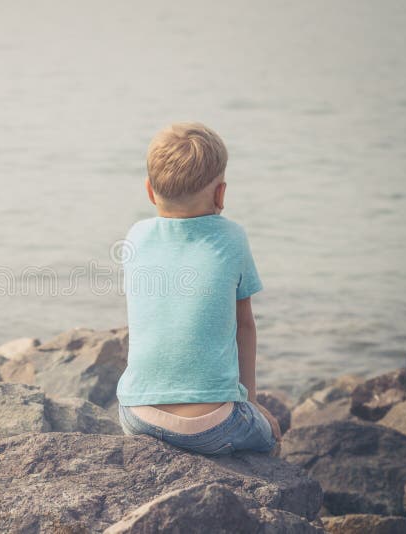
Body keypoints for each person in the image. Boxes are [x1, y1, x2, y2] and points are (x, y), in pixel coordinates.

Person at [116, 122, 282, 455]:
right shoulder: (232, 237)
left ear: (150, 191)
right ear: (221, 194)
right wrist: (251, 404)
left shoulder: (135, 236)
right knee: (271, 436)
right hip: (212, 424)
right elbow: (245, 325)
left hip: (136, 415)